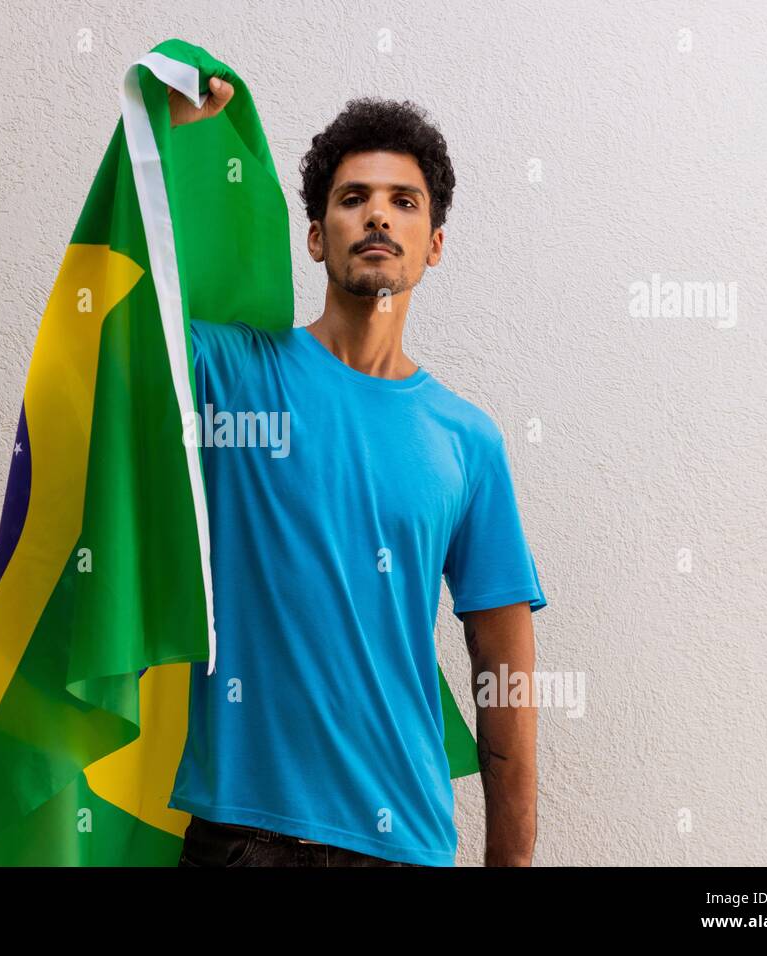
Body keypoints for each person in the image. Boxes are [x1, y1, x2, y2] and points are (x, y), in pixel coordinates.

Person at [165, 78, 548, 867]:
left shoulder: (467, 441)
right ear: (314, 236)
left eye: (405, 201)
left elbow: (503, 674)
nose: (379, 214)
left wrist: (510, 864)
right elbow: (123, 311)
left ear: (435, 243)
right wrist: (164, 141)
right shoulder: (230, 373)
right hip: (241, 842)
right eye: (354, 197)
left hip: (401, 845)